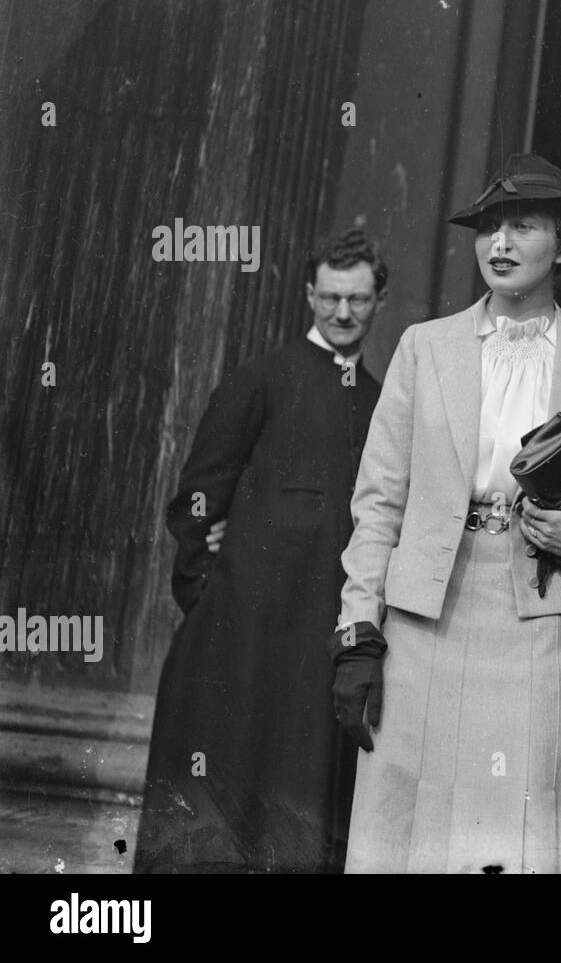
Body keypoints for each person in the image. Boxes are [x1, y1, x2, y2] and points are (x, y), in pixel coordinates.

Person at [332, 153, 561, 874]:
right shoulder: (424, 348)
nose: (498, 245)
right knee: (405, 826)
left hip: (533, 614)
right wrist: (359, 631)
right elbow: (378, 502)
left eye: (522, 227)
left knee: (514, 824)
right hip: (422, 615)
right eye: (487, 228)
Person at [135, 229, 387, 873]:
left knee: (298, 812)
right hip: (242, 639)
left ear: (378, 301)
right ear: (309, 294)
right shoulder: (262, 378)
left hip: (321, 639)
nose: (342, 313)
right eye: (330, 297)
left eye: (358, 300)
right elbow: (197, 497)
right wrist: (210, 593)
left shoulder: (385, 399)